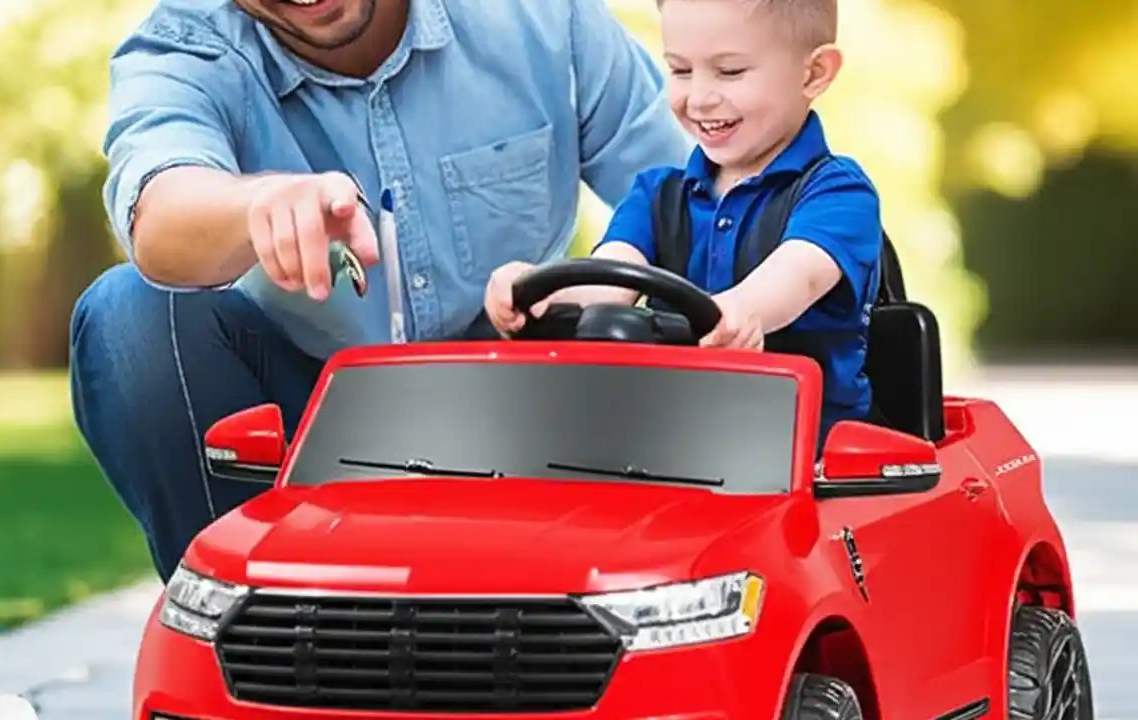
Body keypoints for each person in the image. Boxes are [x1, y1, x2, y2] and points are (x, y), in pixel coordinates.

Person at [70, 0, 692, 581]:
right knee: (128, 315)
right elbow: (160, 211)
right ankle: (255, 629)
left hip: (526, 406)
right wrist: (257, 203)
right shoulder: (187, 43)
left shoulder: (539, 16)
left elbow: (699, 188)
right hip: (309, 429)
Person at [485, 0, 883, 446]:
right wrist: (534, 289)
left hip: (807, 455)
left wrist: (744, 308)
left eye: (730, 72)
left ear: (813, 74)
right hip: (673, 444)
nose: (699, 98)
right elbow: (607, 280)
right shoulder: (656, 194)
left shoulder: (838, 194)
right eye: (680, 71)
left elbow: (798, 277)